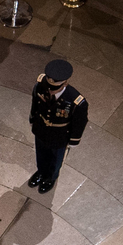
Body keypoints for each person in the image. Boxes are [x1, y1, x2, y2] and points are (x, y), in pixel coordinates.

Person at [27, 58, 86, 193]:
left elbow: (79, 122)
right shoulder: (40, 86)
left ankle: (50, 178)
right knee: (40, 153)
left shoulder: (76, 101)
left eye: (55, 88)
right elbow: (35, 103)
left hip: (59, 135)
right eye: (50, 87)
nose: (51, 91)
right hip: (41, 128)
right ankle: (41, 172)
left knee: (55, 159)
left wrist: (73, 140)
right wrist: (33, 120)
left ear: (65, 83)